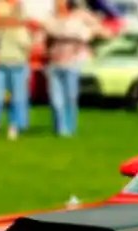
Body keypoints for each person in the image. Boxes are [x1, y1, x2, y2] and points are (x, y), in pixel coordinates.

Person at [43, 0, 104, 137]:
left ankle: (70, 128)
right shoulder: (52, 20)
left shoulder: (77, 20)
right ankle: (60, 129)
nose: (58, 5)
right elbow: (48, 38)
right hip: (54, 64)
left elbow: (87, 35)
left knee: (70, 97)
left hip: (71, 64)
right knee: (56, 100)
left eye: (61, 3)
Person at [0, 0, 36, 139]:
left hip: (17, 66)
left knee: (17, 99)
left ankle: (13, 127)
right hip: (0, 65)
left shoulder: (22, 30)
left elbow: (28, 46)